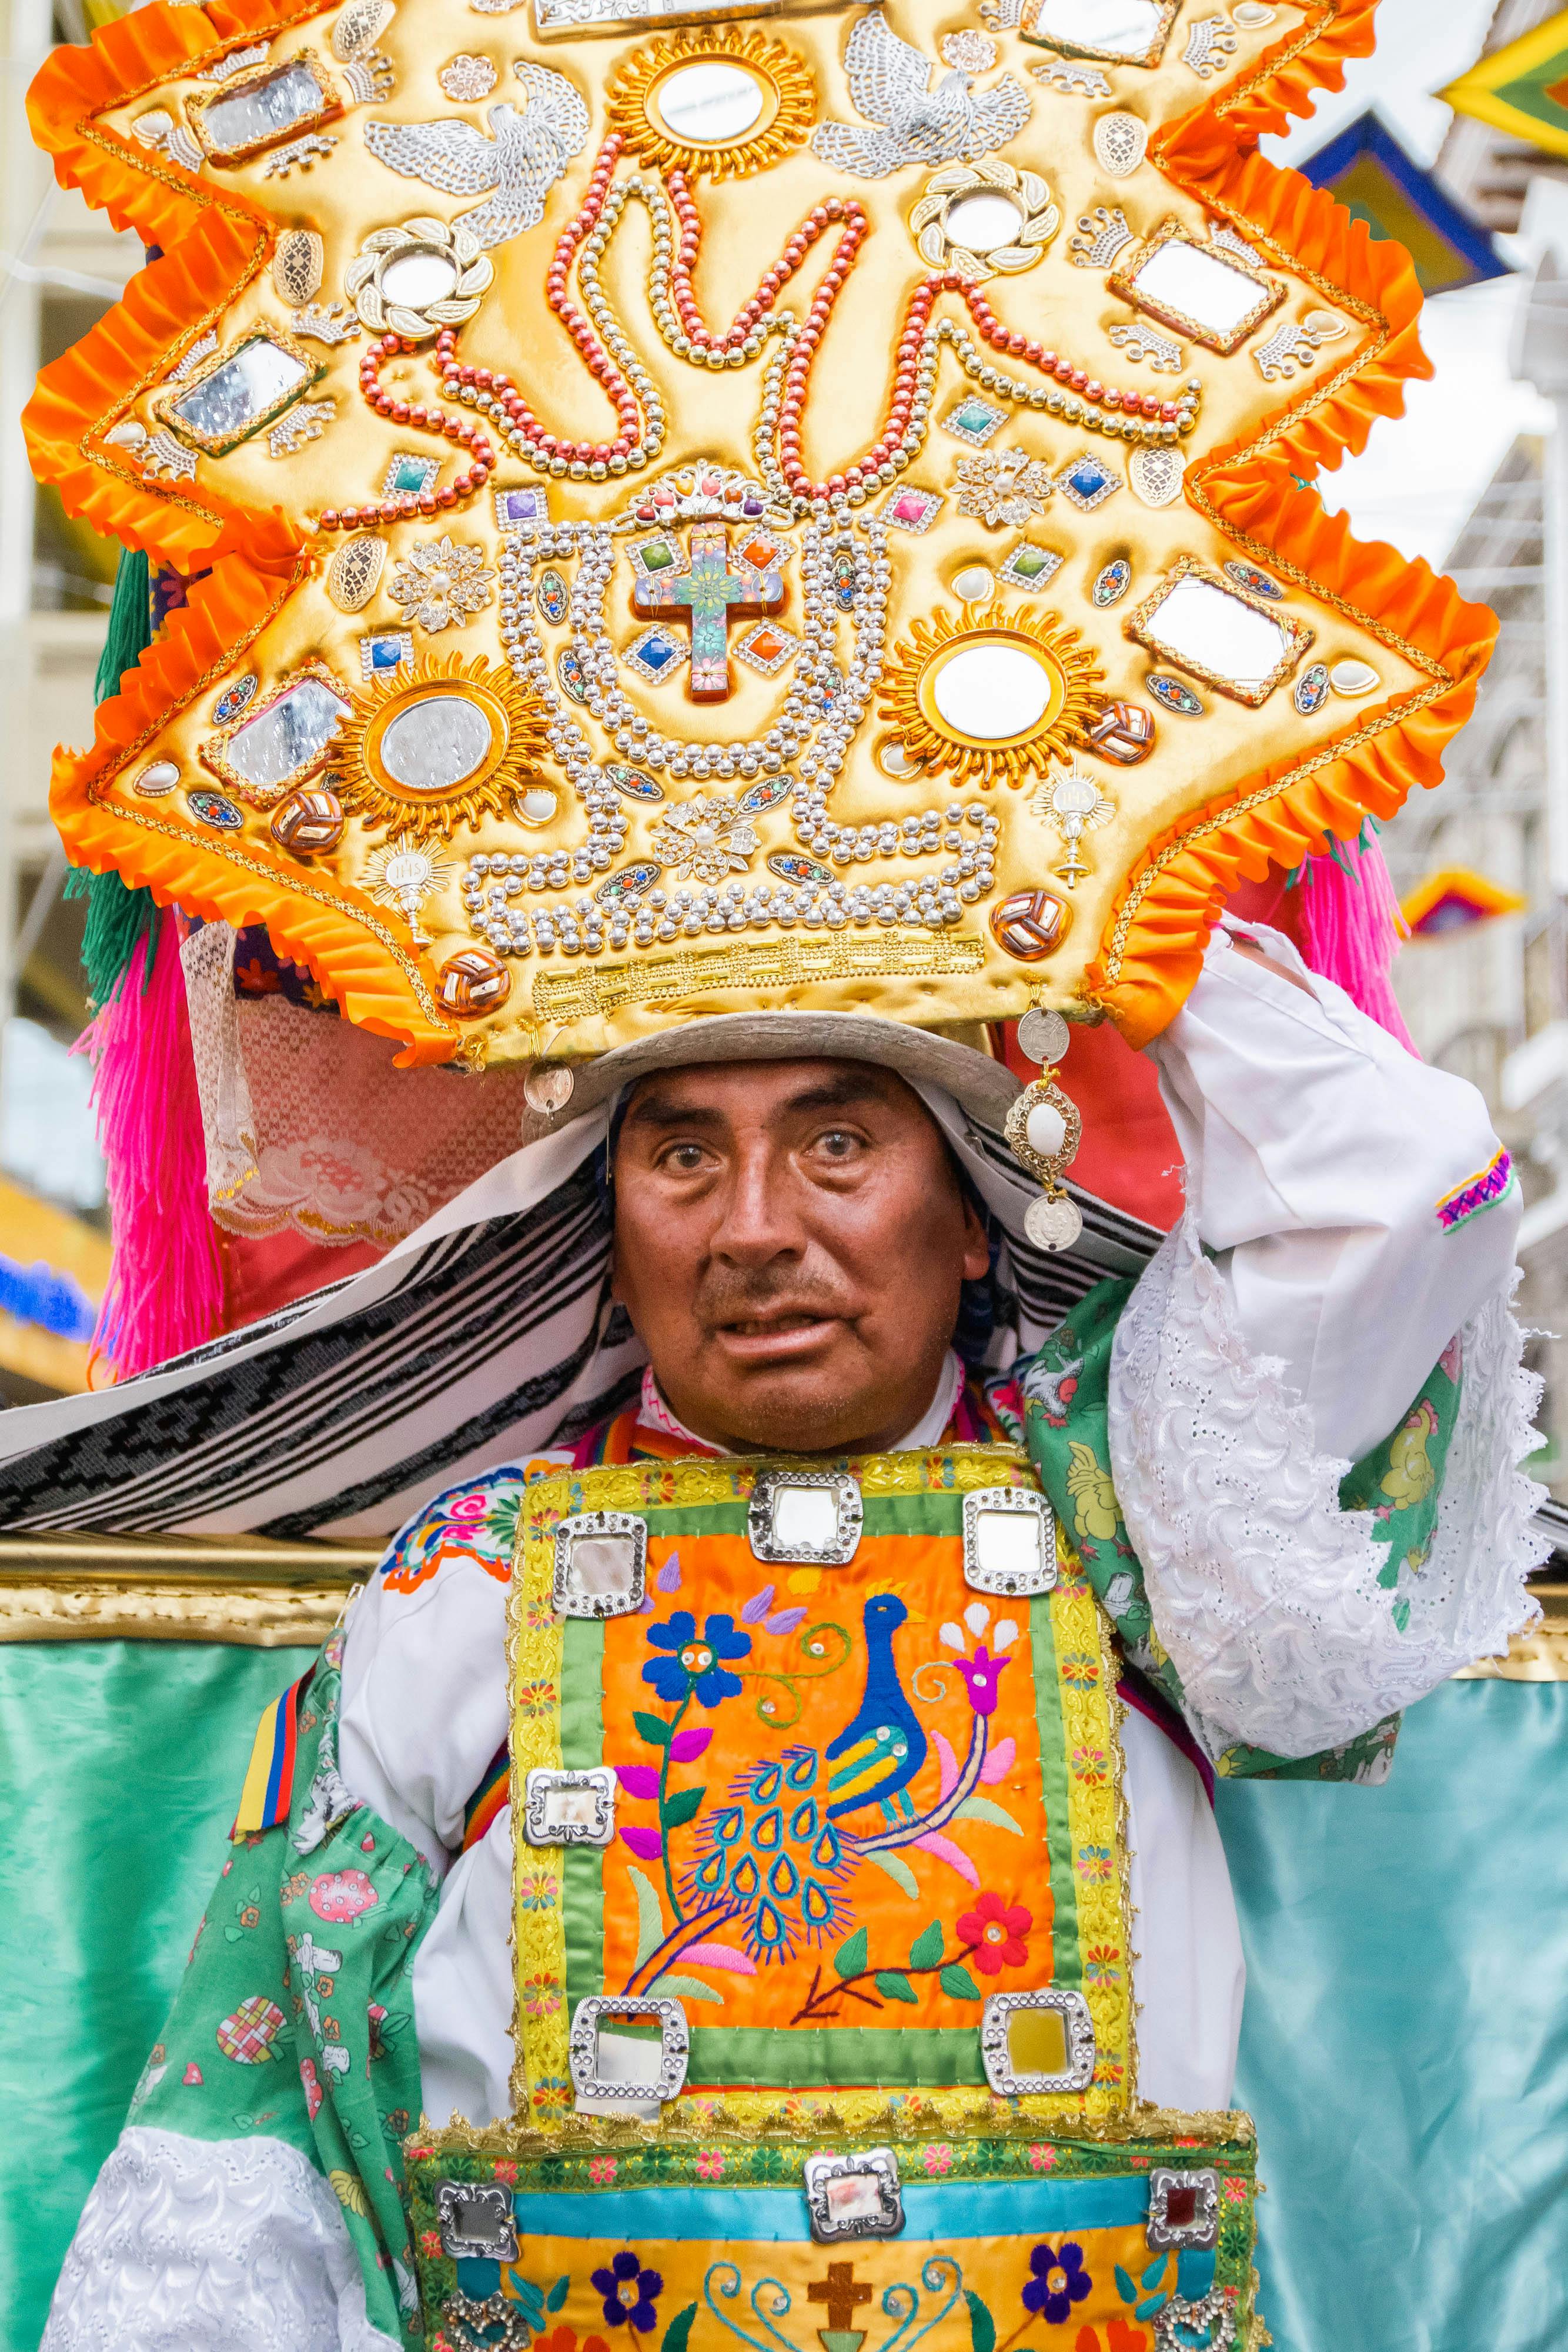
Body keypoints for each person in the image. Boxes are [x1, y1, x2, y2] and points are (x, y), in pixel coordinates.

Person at [39, 916, 1543, 2351]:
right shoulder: (472, 1580)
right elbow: (260, 2119)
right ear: (606, 1224)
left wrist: (1127, 923)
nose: (755, 1228)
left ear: (968, 1214)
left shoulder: (1141, 1507)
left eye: (836, 1142)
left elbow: (1411, 1185)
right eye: (683, 1152)